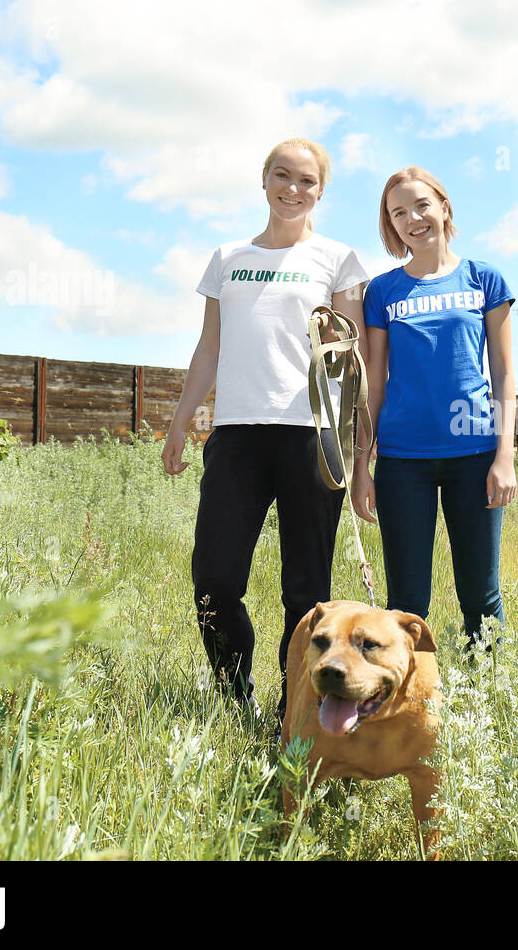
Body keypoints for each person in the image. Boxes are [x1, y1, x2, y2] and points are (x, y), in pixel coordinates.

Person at [162, 137, 368, 732]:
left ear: (320, 191)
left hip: (310, 437)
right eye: (283, 176)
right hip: (237, 439)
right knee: (214, 581)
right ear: (264, 180)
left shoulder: (339, 260)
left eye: (307, 181)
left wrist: (357, 454)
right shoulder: (227, 257)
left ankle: (292, 709)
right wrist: (181, 423)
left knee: (304, 594)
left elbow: (347, 361)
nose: (293, 189)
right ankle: (237, 695)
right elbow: (209, 347)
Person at [351, 166, 517, 649]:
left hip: (475, 454)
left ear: (444, 207)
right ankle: (408, 705)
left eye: (421, 205)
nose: (412, 219)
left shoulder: (484, 279)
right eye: (398, 212)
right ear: (391, 225)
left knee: (481, 597)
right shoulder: (383, 291)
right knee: (405, 604)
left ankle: (488, 699)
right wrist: (364, 465)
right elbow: (373, 384)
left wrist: (504, 456)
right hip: (403, 461)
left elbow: (505, 374)